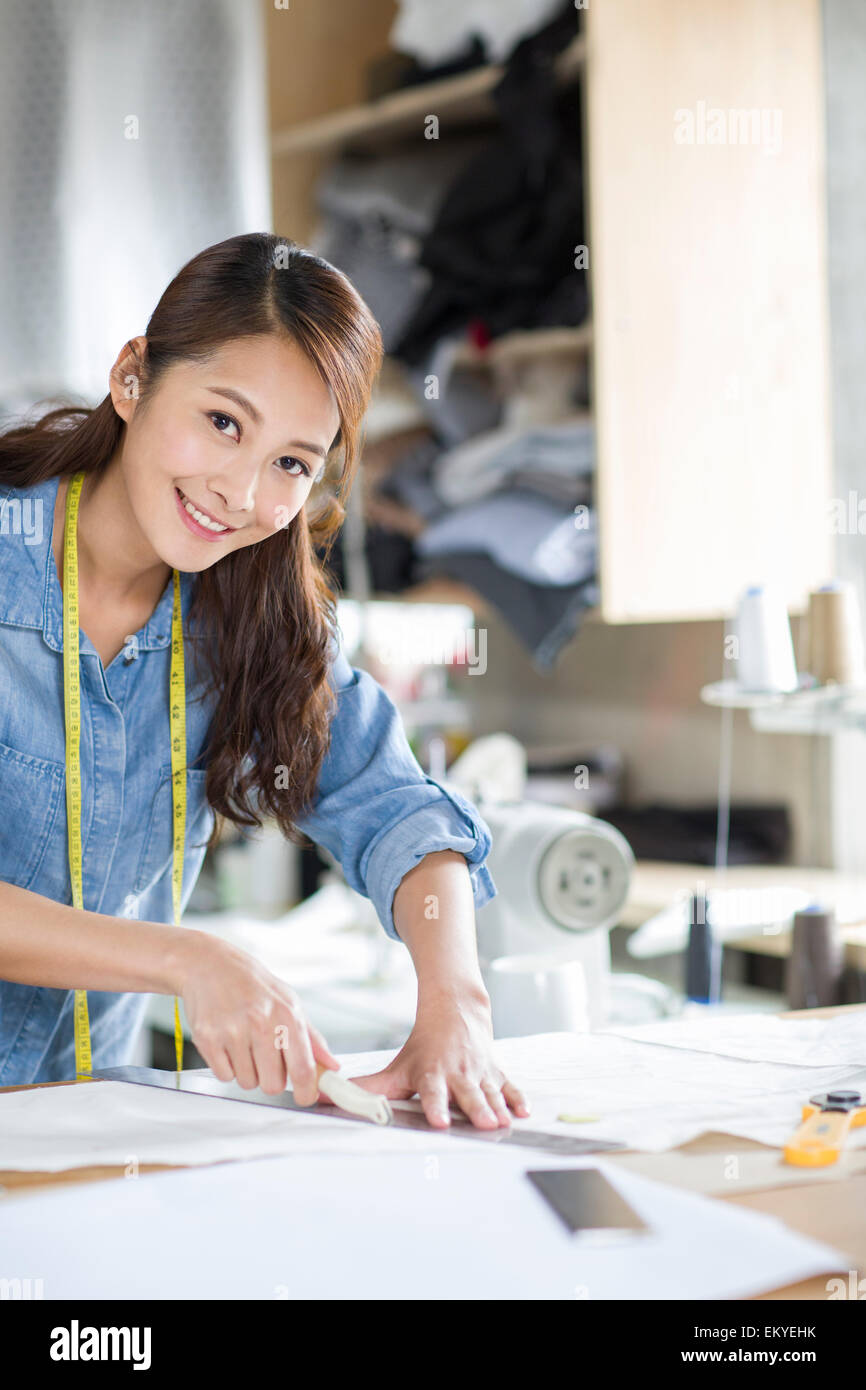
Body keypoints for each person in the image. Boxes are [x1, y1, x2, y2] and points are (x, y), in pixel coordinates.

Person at [0, 232, 528, 1131]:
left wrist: (457, 1004)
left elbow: (395, 806)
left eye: (290, 462)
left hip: (72, 1126)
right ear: (133, 378)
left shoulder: (253, 615)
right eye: (222, 422)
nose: (241, 494)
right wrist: (186, 960)